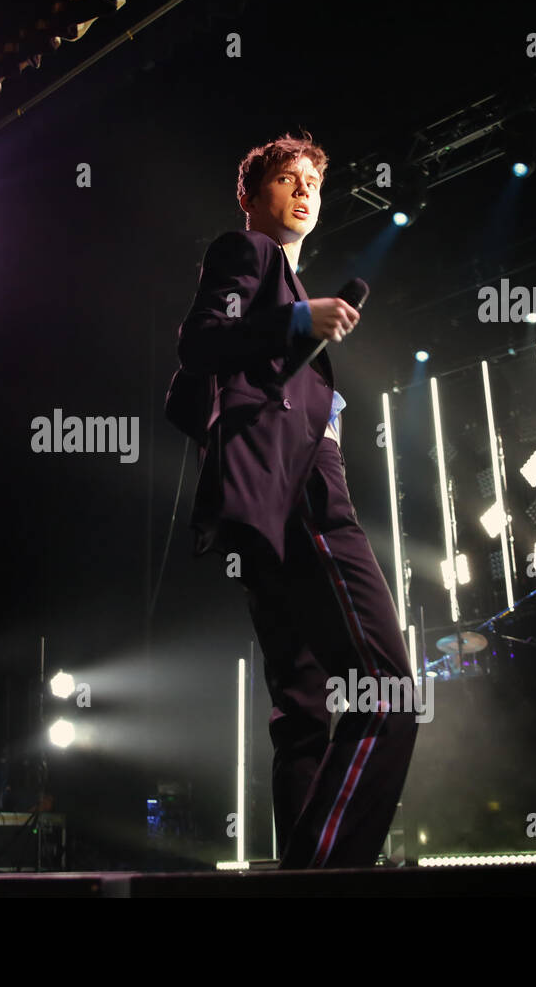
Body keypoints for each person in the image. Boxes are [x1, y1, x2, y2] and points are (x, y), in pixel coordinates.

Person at [177, 132, 417, 868]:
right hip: (303, 492)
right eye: (287, 178)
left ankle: (297, 876)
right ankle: (324, 878)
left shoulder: (279, 279)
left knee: (305, 713)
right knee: (390, 694)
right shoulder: (247, 254)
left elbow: (192, 399)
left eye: (313, 180)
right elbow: (201, 342)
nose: (305, 190)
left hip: (263, 504)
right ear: (251, 196)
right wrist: (294, 322)